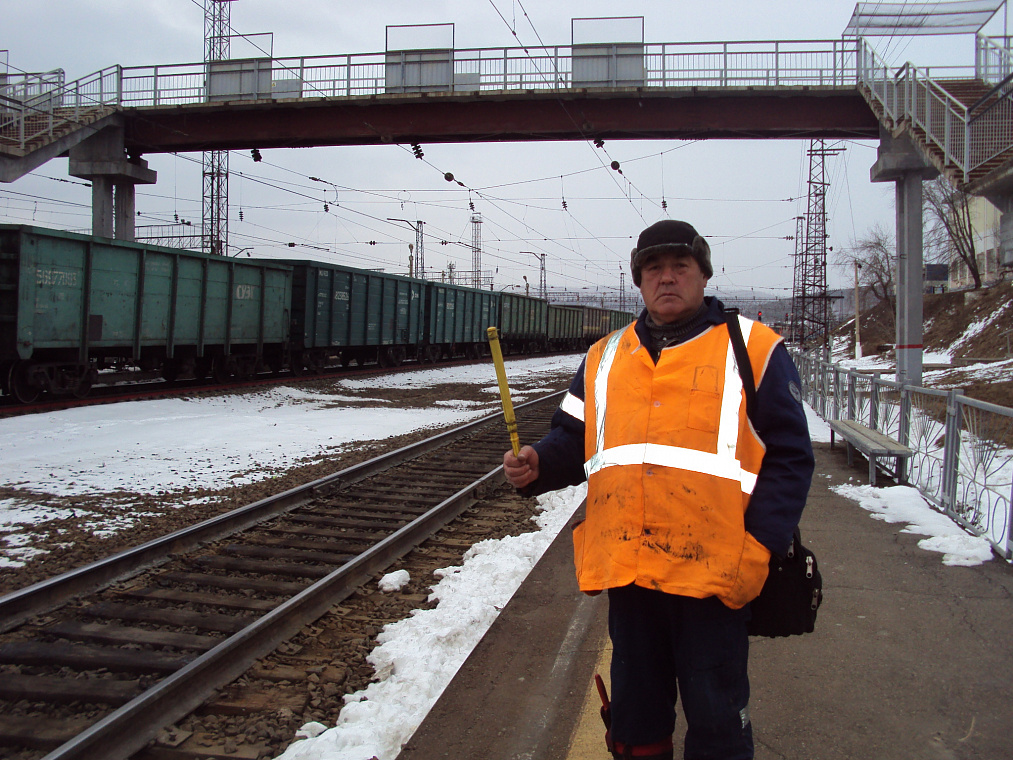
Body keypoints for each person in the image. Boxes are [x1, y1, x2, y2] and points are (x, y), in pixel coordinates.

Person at [503, 219, 814, 760]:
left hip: (714, 577)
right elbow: (573, 437)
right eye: (654, 269)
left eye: (680, 267)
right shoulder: (604, 357)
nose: (666, 278)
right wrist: (537, 465)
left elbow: (790, 459)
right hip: (631, 572)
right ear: (639, 282)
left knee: (717, 722)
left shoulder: (754, 350)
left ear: (702, 275)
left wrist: (759, 548)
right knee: (635, 722)